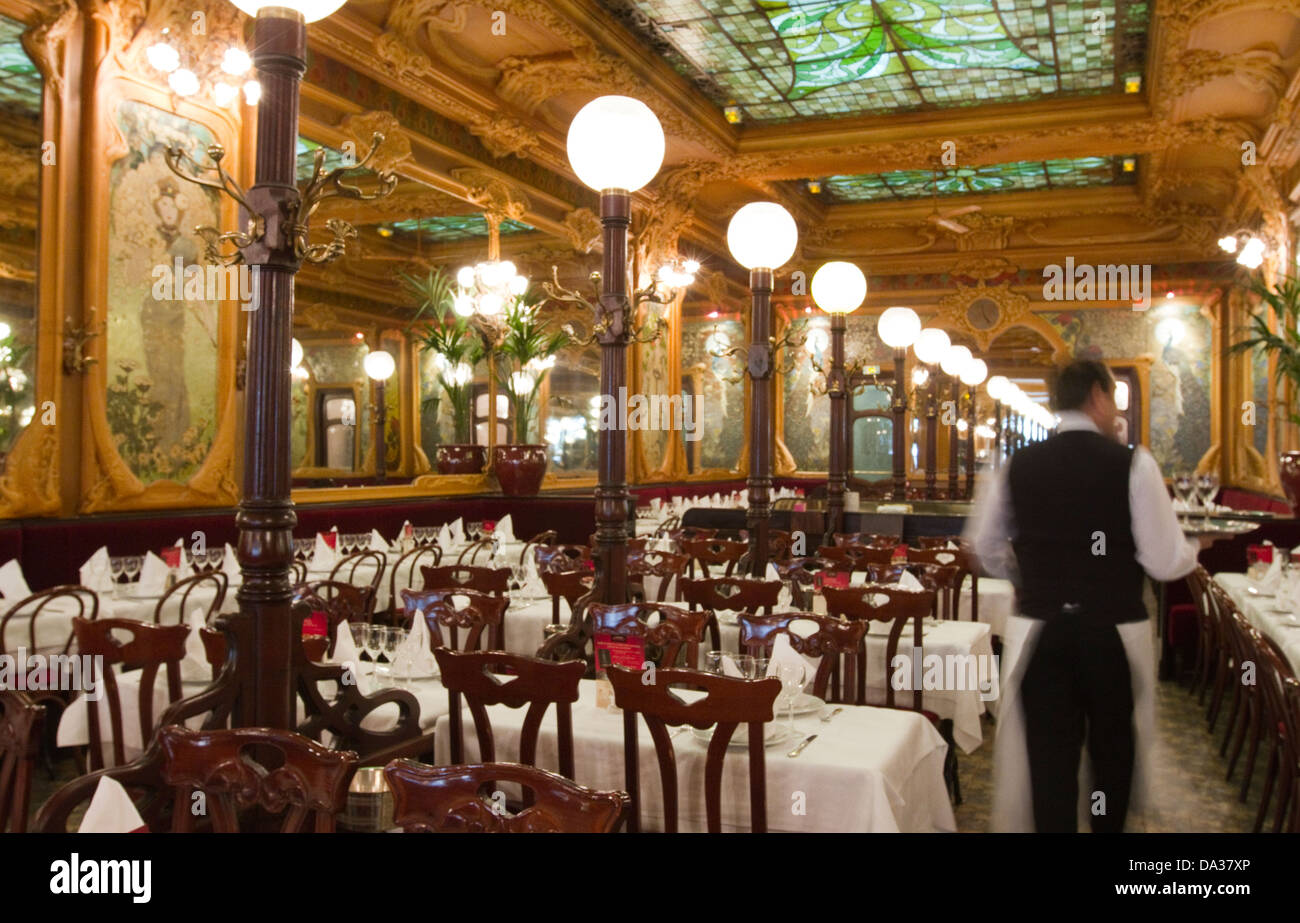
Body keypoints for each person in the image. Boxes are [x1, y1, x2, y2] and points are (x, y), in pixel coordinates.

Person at [965, 359, 1201, 832]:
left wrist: (1027, 577)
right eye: (1111, 397)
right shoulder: (1134, 463)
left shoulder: (1017, 465)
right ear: (1097, 395)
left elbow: (984, 547)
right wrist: (1193, 550)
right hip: (1113, 628)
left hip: (1041, 629)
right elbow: (1161, 560)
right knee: (1112, 754)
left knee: (1049, 759)